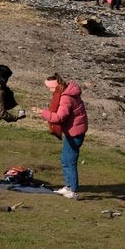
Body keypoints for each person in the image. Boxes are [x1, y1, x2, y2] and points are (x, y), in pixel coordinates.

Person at [39, 71, 88, 199]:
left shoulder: (65, 98)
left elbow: (59, 117)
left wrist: (42, 112)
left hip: (74, 133)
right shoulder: (69, 92)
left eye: (50, 88)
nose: (49, 90)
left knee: (69, 161)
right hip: (76, 131)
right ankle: (69, 187)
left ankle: (72, 189)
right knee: (66, 159)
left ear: (56, 86)